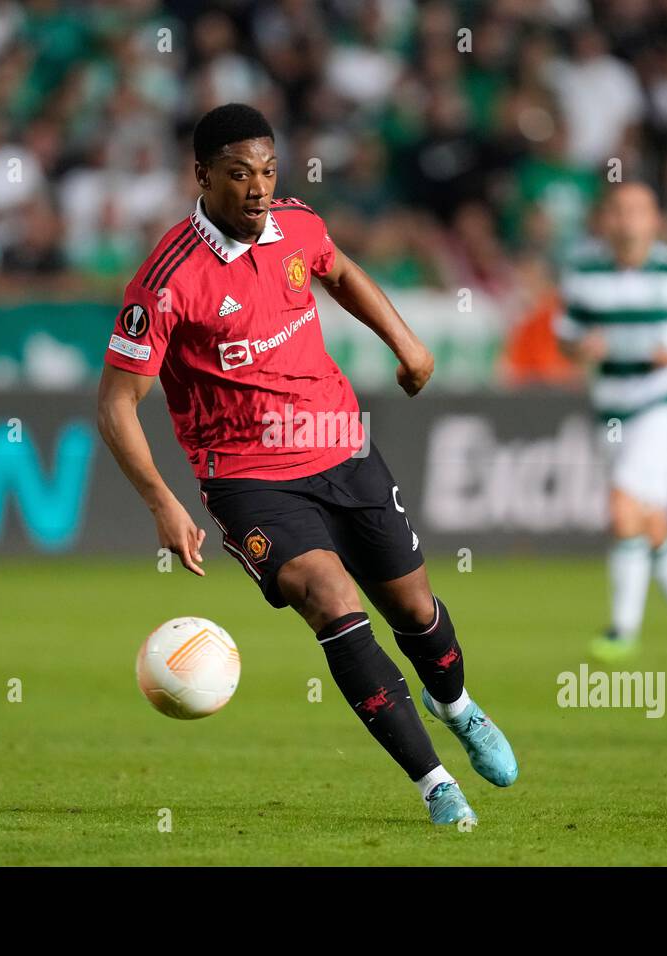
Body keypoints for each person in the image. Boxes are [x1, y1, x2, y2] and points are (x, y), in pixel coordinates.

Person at [96, 103, 517, 825]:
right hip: (249, 479)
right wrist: (164, 503)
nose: (258, 188)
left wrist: (406, 345)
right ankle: (436, 785)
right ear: (201, 176)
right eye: (238, 174)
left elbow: (341, 271)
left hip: (340, 443)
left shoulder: (298, 224)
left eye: (267, 170)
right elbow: (115, 404)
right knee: (332, 601)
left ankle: (456, 706)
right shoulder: (167, 280)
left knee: (414, 609)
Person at [555, 183, 667, 665]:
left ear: (655, 220)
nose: (628, 220)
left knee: (622, 504)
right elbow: (566, 338)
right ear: (605, 221)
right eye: (618, 211)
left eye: (638, 211)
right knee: (648, 517)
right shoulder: (584, 274)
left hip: (664, 403)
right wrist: (580, 350)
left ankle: (621, 629)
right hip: (610, 407)